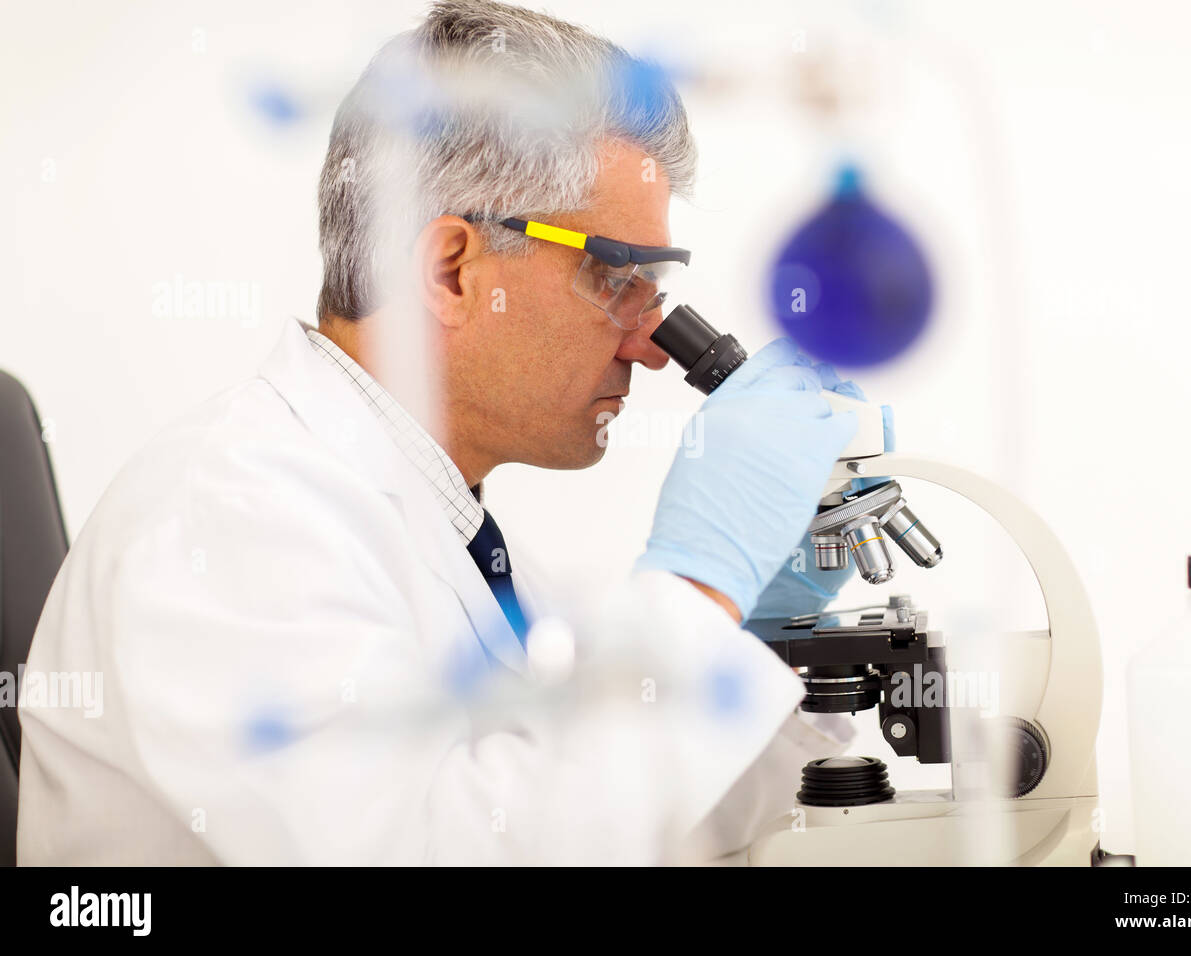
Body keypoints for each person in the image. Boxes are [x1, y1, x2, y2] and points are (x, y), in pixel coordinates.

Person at [17, 0, 870, 864]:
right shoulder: (233, 514)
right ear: (451, 270)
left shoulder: (448, 530)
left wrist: (760, 630)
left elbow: (619, 816)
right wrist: (696, 585)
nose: (652, 342)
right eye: (620, 277)